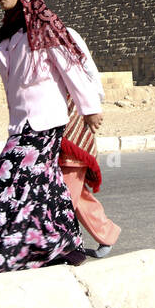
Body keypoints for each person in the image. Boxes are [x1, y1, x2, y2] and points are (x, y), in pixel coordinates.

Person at [0, 0, 102, 275]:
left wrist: (89, 107)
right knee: (48, 187)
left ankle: (1, 256)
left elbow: (72, 67)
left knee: (3, 187)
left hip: (45, 121)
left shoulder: (45, 27)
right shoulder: (8, 32)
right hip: (21, 124)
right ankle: (66, 245)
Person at [58, 27, 120, 258]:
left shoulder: (62, 36)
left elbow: (89, 79)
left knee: (64, 194)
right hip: (51, 132)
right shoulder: (24, 39)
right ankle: (107, 233)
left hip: (72, 135)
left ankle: (53, 245)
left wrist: (91, 107)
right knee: (76, 194)